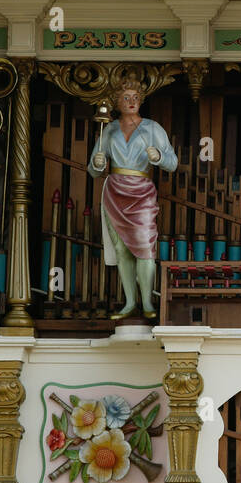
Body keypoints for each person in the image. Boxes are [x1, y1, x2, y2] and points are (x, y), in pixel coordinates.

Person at [89, 80, 178, 320]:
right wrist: (98, 164)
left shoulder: (152, 128)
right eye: (126, 97)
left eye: (135, 97)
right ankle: (129, 302)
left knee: (145, 247)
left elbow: (173, 163)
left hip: (141, 191)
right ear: (118, 102)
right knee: (121, 249)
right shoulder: (109, 130)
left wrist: (158, 156)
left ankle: (148, 301)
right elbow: (93, 169)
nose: (131, 102)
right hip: (115, 190)